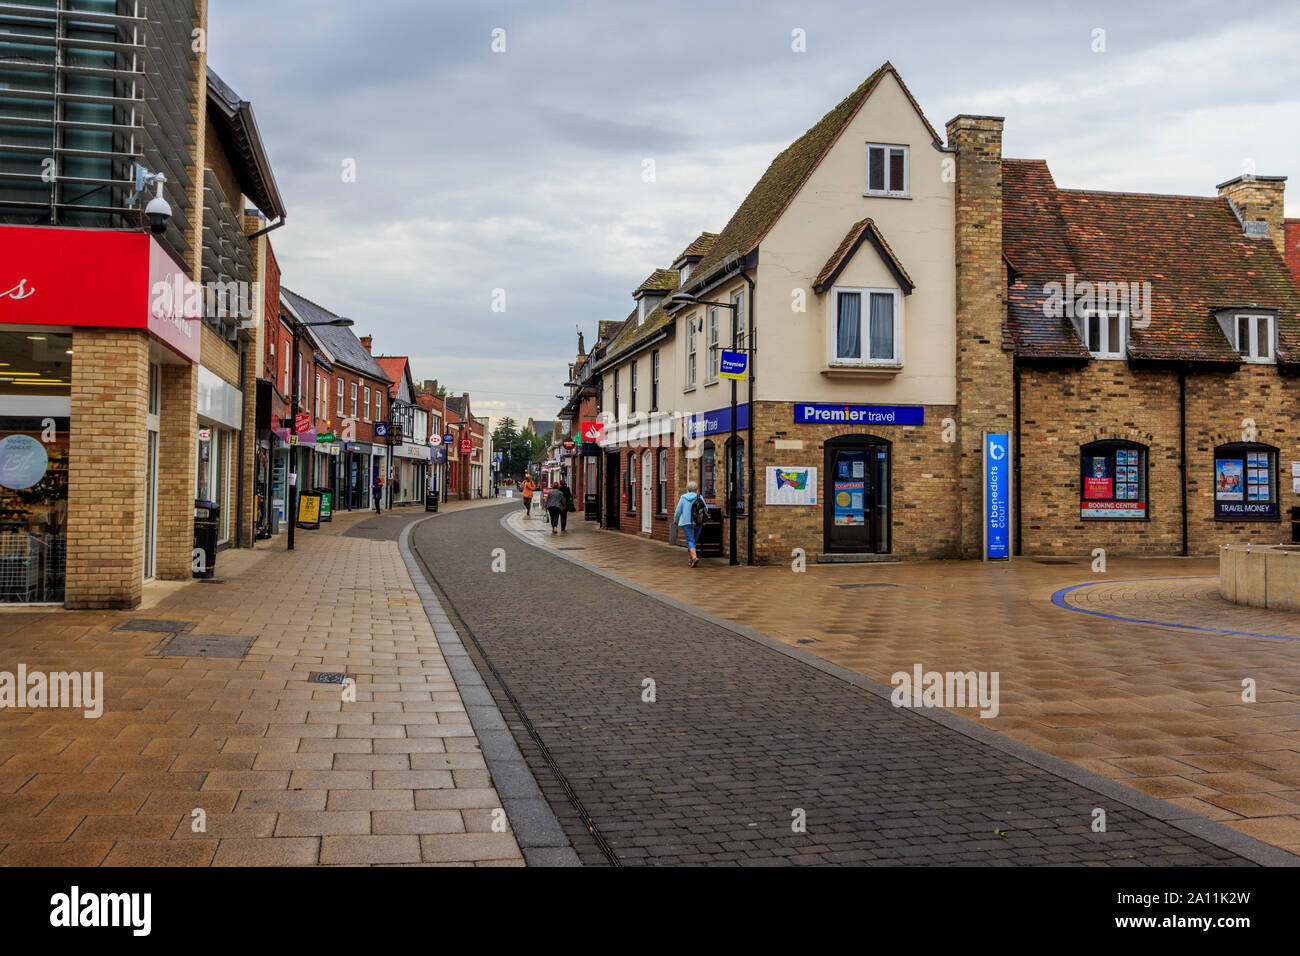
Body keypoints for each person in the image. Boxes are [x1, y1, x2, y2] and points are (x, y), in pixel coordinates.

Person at [673, 480, 706, 567]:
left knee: (690, 541)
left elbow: (678, 511)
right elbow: (705, 509)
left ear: (688, 489)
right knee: (693, 541)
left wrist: (676, 519)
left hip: (687, 522)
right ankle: (690, 560)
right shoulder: (700, 497)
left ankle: (694, 558)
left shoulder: (683, 497)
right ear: (696, 488)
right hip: (698, 522)